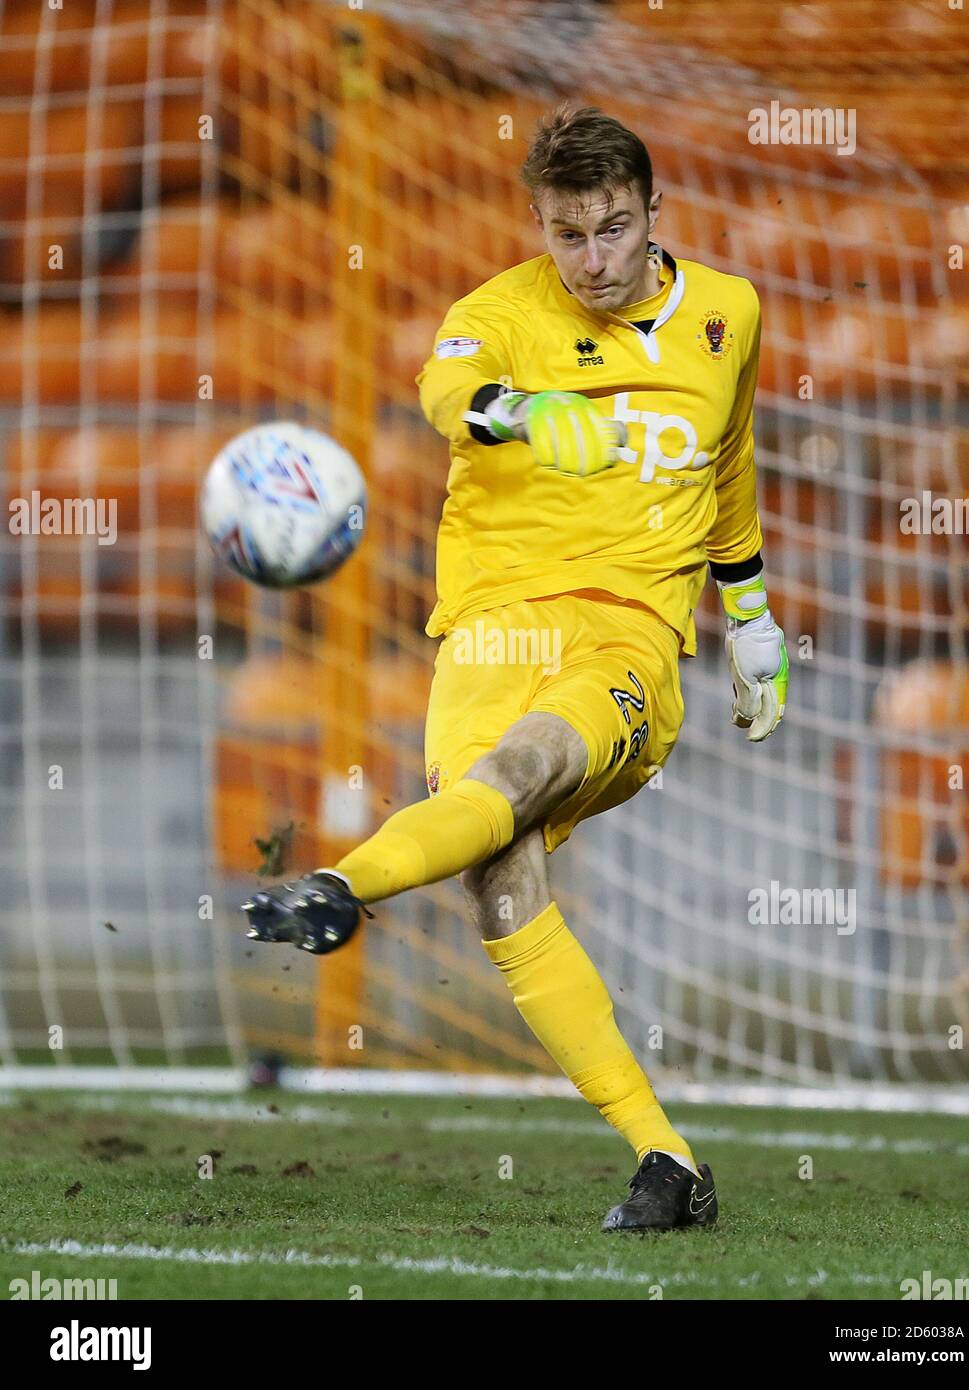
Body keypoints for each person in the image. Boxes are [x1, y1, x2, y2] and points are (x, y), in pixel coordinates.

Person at [244, 105, 789, 1233]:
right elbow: (447, 394)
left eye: (614, 230)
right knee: (500, 884)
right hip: (488, 631)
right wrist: (527, 412)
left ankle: (340, 887)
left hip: (628, 633)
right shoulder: (493, 315)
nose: (592, 261)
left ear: (654, 214)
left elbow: (728, 464)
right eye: (567, 234)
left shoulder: (728, 315)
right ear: (536, 222)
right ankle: (667, 1158)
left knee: (526, 766)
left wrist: (752, 620)